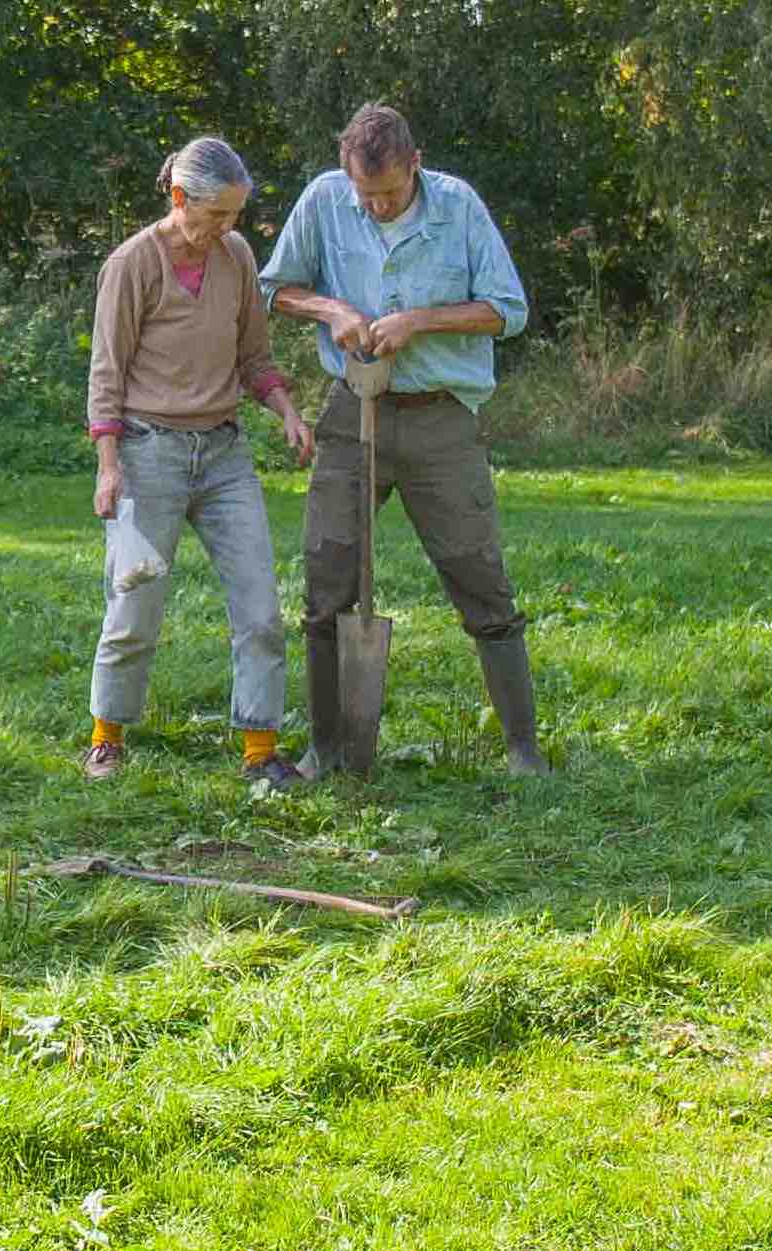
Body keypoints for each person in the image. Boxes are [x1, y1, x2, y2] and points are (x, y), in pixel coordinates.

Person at [258, 103, 551, 773]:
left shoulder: (458, 207)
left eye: (390, 193)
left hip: (439, 418)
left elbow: (508, 312)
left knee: (480, 578)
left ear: (415, 165)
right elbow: (274, 288)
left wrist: (418, 321)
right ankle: (326, 750)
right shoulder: (325, 202)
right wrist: (332, 308)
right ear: (345, 173)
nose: (380, 206)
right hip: (349, 412)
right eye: (367, 195)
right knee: (326, 582)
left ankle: (523, 753)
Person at [82, 135, 319, 785]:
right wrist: (110, 466)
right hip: (147, 452)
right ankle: (106, 737)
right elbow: (106, 376)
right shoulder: (131, 265)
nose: (227, 228)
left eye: (236, 215)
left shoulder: (236, 257)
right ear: (179, 197)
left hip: (223, 455)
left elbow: (255, 360)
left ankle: (260, 752)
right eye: (216, 214)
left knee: (261, 608)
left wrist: (288, 413)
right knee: (134, 607)